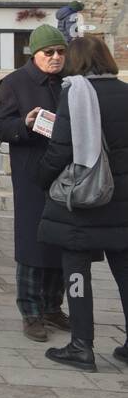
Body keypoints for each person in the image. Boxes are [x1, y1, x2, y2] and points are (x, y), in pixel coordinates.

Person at [35, 37, 128, 371]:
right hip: (122, 202)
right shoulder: (125, 93)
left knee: (76, 272)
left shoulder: (75, 95)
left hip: (84, 201)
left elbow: (61, 150)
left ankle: (81, 346)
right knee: (126, 274)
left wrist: (43, 179)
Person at [0, 24, 70, 341]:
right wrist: (25, 122)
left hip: (66, 174)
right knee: (32, 241)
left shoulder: (70, 82)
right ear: (34, 54)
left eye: (60, 52)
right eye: (48, 52)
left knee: (60, 240)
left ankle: (53, 306)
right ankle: (31, 311)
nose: (55, 58)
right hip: (32, 173)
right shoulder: (15, 83)